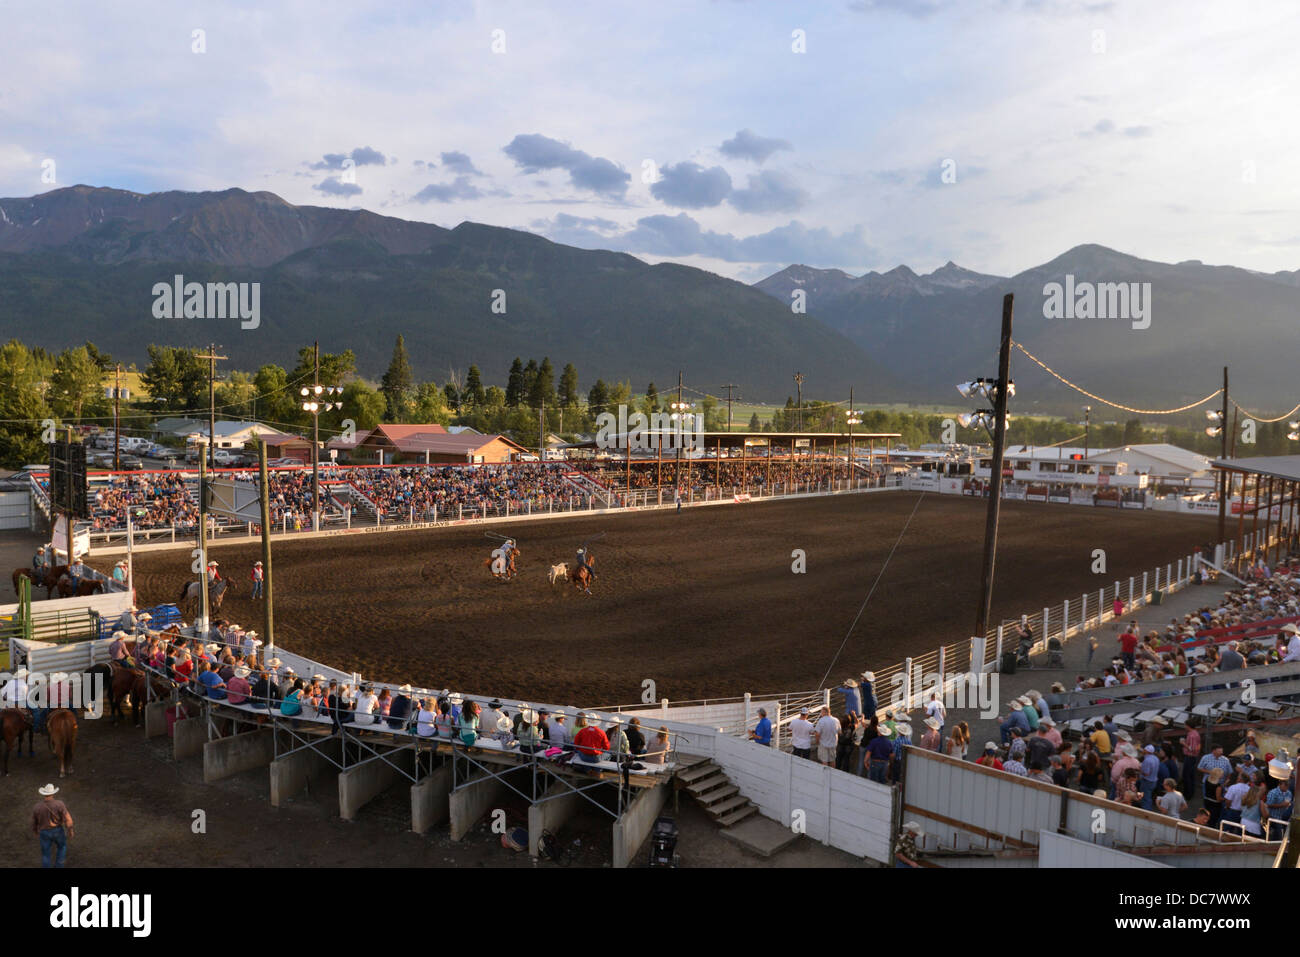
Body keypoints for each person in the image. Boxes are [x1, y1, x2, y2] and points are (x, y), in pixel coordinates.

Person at [32, 784, 73, 868]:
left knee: (45, 854)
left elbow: (34, 822)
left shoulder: (37, 807)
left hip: (44, 832)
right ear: (53, 793)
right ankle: (59, 866)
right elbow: (68, 819)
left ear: (44, 794)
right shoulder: (59, 804)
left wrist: (35, 831)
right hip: (57, 830)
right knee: (62, 847)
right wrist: (70, 830)